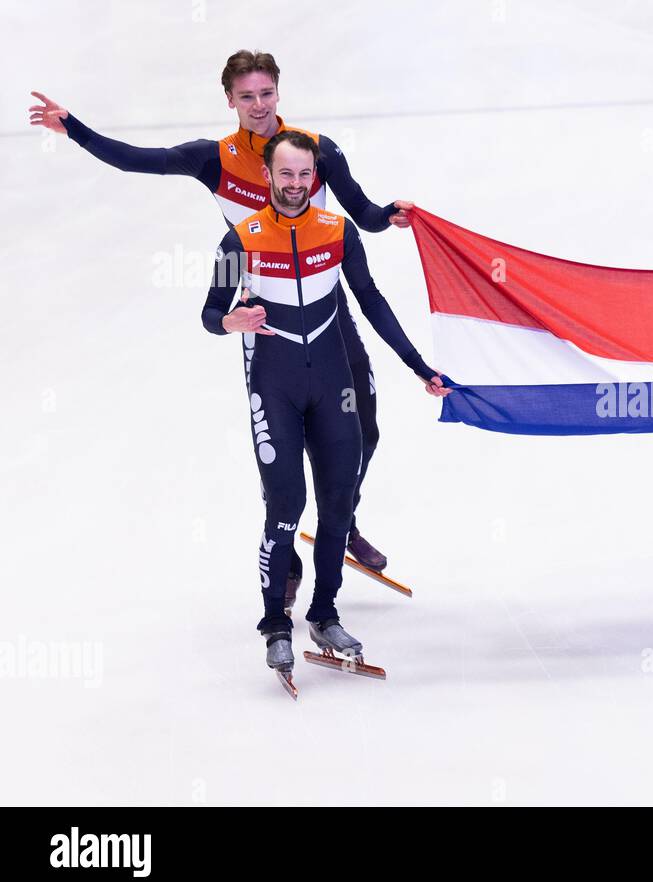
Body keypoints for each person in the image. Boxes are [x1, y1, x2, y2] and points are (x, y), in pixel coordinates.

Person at [30, 49, 408, 598]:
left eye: (266, 94)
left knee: (363, 428)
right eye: (246, 96)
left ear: (279, 93)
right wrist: (74, 129)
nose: (258, 106)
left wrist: (389, 215)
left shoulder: (313, 152)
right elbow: (139, 159)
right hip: (265, 318)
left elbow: (363, 214)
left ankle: (342, 519)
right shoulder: (214, 159)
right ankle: (286, 560)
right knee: (279, 448)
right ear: (229, 100)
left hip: (326, 311)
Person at [203, 131, 448, 679]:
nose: (295, 184)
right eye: (285, 174)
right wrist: (229, 320)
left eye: (304, 175)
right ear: (267, 176)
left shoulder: (338, 231)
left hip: (333, 386)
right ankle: (274, 626)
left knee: (337, 505)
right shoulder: (238, 240)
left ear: (315, 177)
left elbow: (373, 302)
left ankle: (324, 613)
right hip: (277, 389)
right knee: (285, 508)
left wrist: (419, 366)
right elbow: (209, 311)